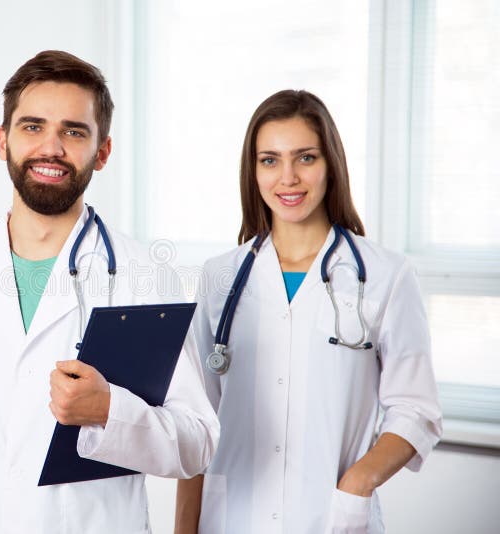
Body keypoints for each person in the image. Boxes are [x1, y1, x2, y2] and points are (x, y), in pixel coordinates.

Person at [0, 50, 219, 533]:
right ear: (2, 141)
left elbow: (197, 442)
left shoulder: (145, 277)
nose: (51, 147)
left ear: (102, 151)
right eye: (31, 127)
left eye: (73, 131)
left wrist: (112, 411)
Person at [174, 90, 442, 534]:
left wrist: (358, 482)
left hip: (331, 518)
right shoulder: (220, 278)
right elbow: (194, 422)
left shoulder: (384, 276)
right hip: (232, 518)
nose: (288, 178)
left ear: (330, 164)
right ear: (253, 171)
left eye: (306, 158)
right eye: (270, 160)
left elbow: (416, 410)